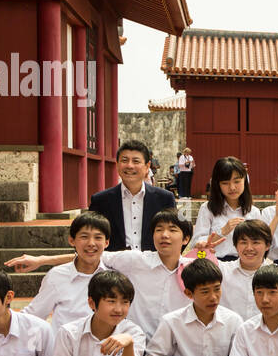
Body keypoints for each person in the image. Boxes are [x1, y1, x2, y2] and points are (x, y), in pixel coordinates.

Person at [18, 210, 195, 334]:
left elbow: (94, 253)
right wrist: (41, 260)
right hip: (74, 353)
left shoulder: (192, 269)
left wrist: (204, 250)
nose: (165, 235)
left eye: (172, 230)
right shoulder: (135, 261)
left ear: (186, 238)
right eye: (159, 230)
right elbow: (91, 254)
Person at [10, 211, 110, 331]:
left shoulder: (115, 276)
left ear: (107, 243)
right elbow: (33, 316)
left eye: (98, 237)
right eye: (84, 237)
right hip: (64, 348)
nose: (91, 243)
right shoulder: (57, 276)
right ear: (71, 240)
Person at [89, 141, 176, 252]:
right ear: (117, 164)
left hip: (153, 265)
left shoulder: (165, 198)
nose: (129, 166)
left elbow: (177, 232)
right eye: (124, 160)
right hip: (113, 266)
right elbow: (88, 233)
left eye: (136, 161)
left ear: (147, 166)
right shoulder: (101, 200)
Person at [193, 157, 261, 261]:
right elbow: (196, 243)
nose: (232, 187)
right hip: (215, 265)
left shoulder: (253, 211)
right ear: (217, 184)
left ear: (245, 181)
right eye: (225, 183)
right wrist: (223, 231)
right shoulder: (207, 209)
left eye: (237, 181)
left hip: (245, 265)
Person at [219, 219, 273, 321]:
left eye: (255, 242)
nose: (249, 248)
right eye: (243, 242)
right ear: (235, 246)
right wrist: (202, 252)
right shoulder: (222, 271)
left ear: (267, 245)